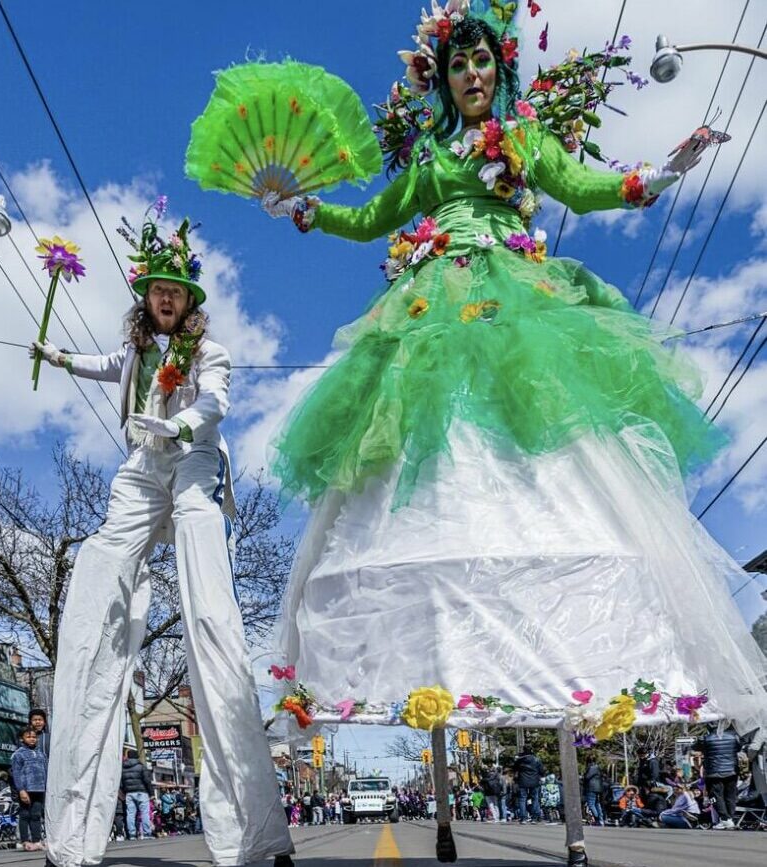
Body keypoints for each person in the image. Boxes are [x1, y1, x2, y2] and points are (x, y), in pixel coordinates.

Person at [257, 0, 767, 791]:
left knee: (552, 456)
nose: (470, 74)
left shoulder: (523, 137)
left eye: (481, 61)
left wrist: (661, 171)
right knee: (430, 463)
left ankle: (574, 673)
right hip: (430, 306)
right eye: (457, 64)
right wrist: (304, 211)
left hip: (519, 297)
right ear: (442, 76)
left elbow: (583, 185)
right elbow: (373, 221)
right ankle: (431, 671)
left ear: (500, 69)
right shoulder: (429, 154)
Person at [30, 203, 293, 867]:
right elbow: (104, 365)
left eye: (176, 291)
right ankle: (71, 835)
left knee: (206, 594)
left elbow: (215, 403)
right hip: (142, 467)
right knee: (99, 568)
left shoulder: (211, 352)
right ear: (147, 297)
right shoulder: (136, 350)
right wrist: (57, 356)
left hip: (193, 459)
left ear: (189, 301)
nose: (166, 298)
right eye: (158, 289)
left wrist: (182, 426)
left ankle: (255, 834)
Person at [693, 725, 743, 830]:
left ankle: (725, 818)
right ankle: (730, 818)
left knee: (715, 796)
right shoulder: (733, 736)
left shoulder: (706, 738)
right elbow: (738, 747)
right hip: (731, 770)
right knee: (730, 795)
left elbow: (695, 747)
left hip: (713, 772)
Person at [11, 726, 47, 852]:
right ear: (22, 739)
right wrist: (21, 790)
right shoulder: (18, 754)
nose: (32, 739)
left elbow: (45, 771)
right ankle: (25, 840)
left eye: (34, 737)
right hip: (26, 790)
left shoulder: (41, 754)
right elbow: (16, 773)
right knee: (25, 815)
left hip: (40, 789)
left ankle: (36, 840)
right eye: (28, 737)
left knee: (36, 815)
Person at [121, 749, 153, 839]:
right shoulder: (141, 767)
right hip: (142, 792)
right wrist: (151, 793)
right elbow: (147, 780)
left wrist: (124, 791)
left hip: (129, 793)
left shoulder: (123, 768)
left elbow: (121, 782)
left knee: (130, 814)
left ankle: (132, 834)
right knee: (144, 813)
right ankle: (147, 833)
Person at [513, 746, 543, 823]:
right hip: (534, 781)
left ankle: (523, 818)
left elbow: (514, 769)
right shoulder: (536, 759)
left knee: (522, 799)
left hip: (523, 781)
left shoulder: (520, 760)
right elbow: (541, 771)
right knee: (535, 799)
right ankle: (534, 817)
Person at [583, 758, 604, 826]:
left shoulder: (592, 768)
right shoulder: (598, 768)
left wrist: (583, 776)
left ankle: (597, 818)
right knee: (597, 804)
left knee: (591, 804)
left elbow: (587, 777)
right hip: (598, 788)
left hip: (591, 788)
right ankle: (601, 819)